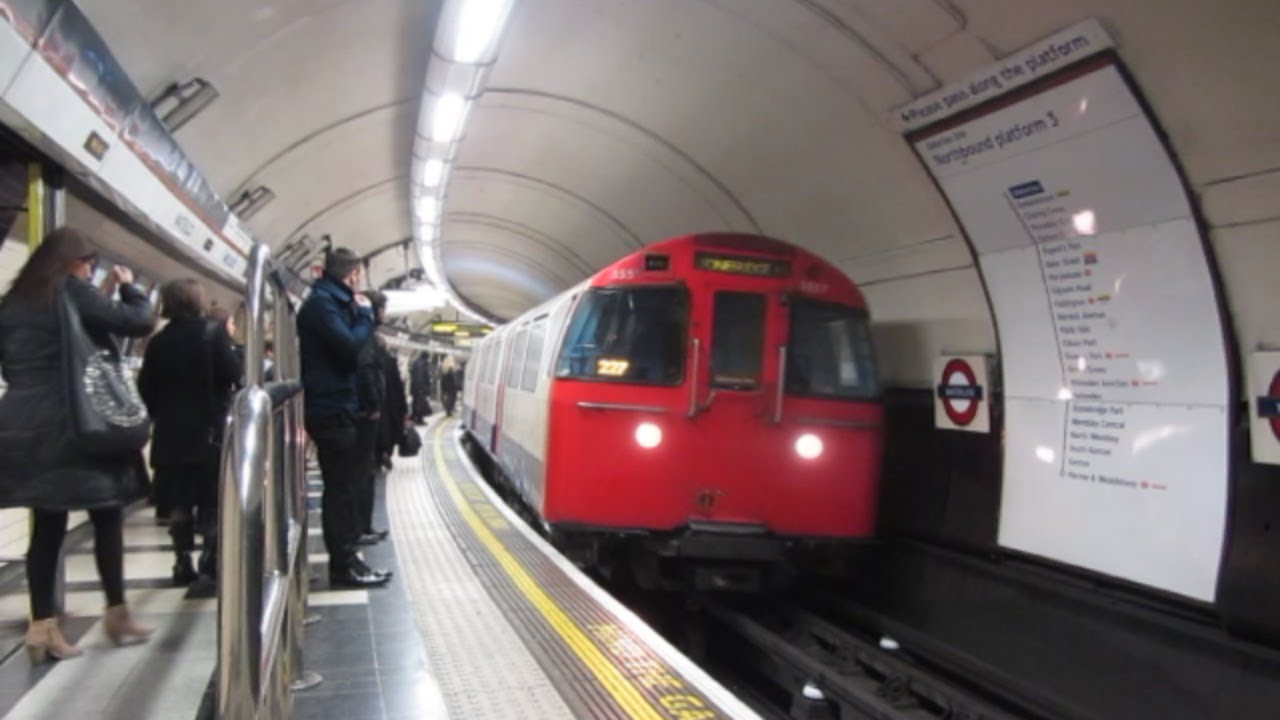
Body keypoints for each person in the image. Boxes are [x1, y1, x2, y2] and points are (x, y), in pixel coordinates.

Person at [0, 228, 157, 661]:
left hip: (21, 423)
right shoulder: (72, 290)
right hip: (74, 424)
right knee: (107, 514)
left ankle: (42, 626)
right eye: (89, 263)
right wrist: (128, 288)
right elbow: (138, 321)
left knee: (47, 526)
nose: (90, 271)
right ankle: (117, 611)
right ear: (75, 262)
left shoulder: (11, 303)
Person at [137, 279, 240, 591]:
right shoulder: (212, 334)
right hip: (208, 431)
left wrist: (162, 414)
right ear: (197, 301)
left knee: (180, 501)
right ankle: (211, 555)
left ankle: (182, 559)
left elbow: (145, 388)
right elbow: (234, 374)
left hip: (170, 434)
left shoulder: (157, 342)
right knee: (211, 497)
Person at [296, 248, 391, 588]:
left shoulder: (329, 303)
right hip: (331, 407)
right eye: (358, 277)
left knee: (345, 488)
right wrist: (365, 316)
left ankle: (348, 560)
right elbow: (349, 348)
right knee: (341, 489)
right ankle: (343, 566)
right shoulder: (323, 306)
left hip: (337, 405)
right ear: (351, 276)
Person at [353, 291, 389, 547]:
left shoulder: (361, 333)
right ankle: (359, 529)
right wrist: (374, 404)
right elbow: (366, 370)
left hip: (361, 411)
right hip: (365, 414)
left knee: (363, 472)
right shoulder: (366, 336)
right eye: (383, 309)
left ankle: (361, 528)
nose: (385, 314)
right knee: (362, 473)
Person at [409, 352, 432, 423]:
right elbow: (421, 377)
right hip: (420, 388)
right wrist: (422, 389)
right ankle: (419, 419)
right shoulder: (423, 364)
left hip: (415, 387)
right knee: (420, 404)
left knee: (415, 402)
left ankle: (413, 416)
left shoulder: (416, 362)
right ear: (426, 357)